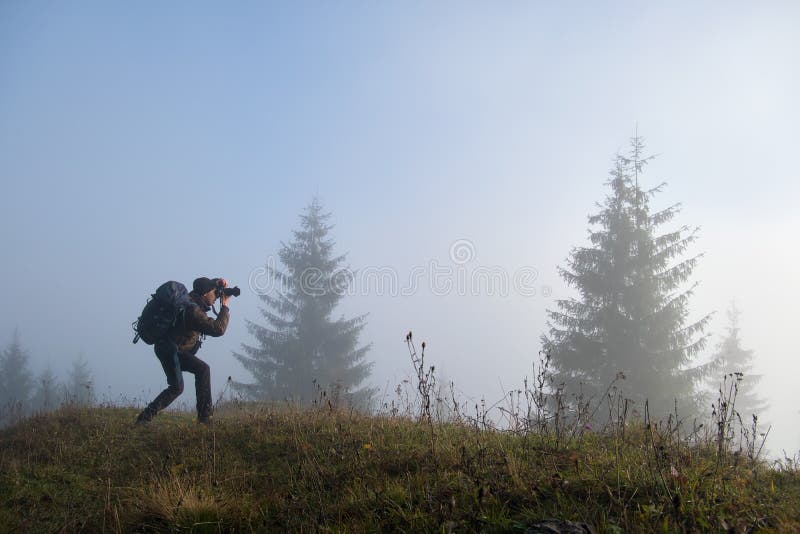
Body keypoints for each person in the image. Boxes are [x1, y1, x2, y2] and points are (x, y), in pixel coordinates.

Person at [136, 277, 231, 425]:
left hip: (167, 347)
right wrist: (224, 307)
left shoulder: (189, 301)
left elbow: (204, 284)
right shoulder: (192, 310)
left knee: (198, 372)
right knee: (181, 384)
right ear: (206, 293)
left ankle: (145, 418)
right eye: (215, 294)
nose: (216, 297)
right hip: (170, 349)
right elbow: (218, 329)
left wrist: (218, 282)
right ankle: (204, 419)